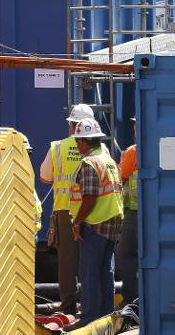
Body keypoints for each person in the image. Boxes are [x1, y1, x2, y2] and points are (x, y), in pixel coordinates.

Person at [39, 102, 94, 314]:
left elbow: (45, 176)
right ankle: (91, 306)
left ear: (72, 125)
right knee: (93, 261)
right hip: (96, 211)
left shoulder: (58, 147)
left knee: (67, 264)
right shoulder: (100, 148)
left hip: (66, 212)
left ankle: (69, 307)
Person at [69, 118, 124, 326]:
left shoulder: (90, 163)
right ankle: (106, 317)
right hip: (112, 223)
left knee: (89, 273)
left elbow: (90, 196)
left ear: (84, 141)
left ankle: (90, 317)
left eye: (78, 141)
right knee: (105, 273)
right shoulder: (108, 160)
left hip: (95, 224)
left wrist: (77, 222)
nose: (76, 145)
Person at [116, 144, 139, 306]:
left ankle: (132, 299)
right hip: (156, 211)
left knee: (124, 255)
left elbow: (120, 176)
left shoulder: (134, 151)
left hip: (135, 211)